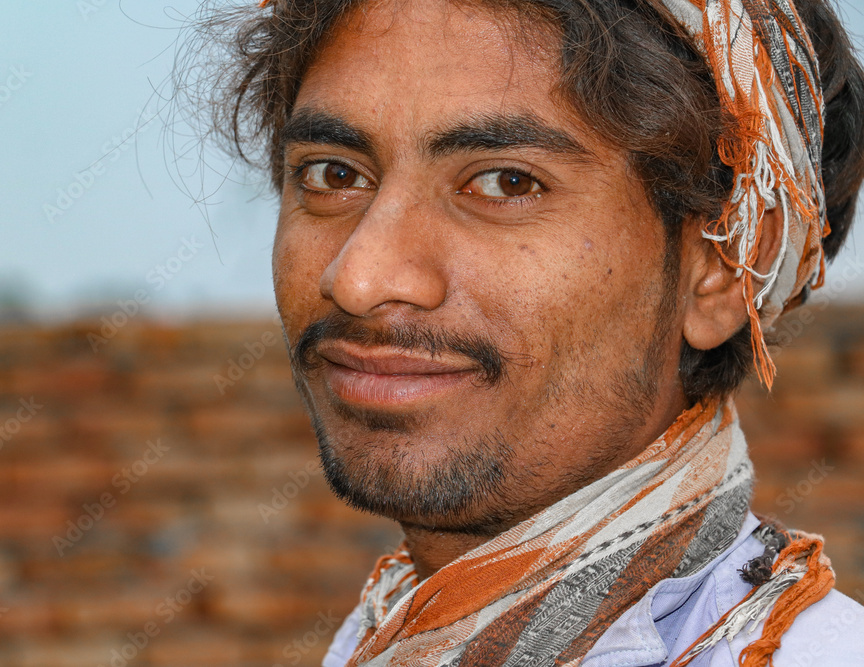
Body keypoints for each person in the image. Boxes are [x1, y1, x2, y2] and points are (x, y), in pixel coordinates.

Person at [180, 0, 864, 663]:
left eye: (506, 183)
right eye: (334, 174)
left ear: (720, 264)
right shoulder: (386, 638)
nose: (359, 276)